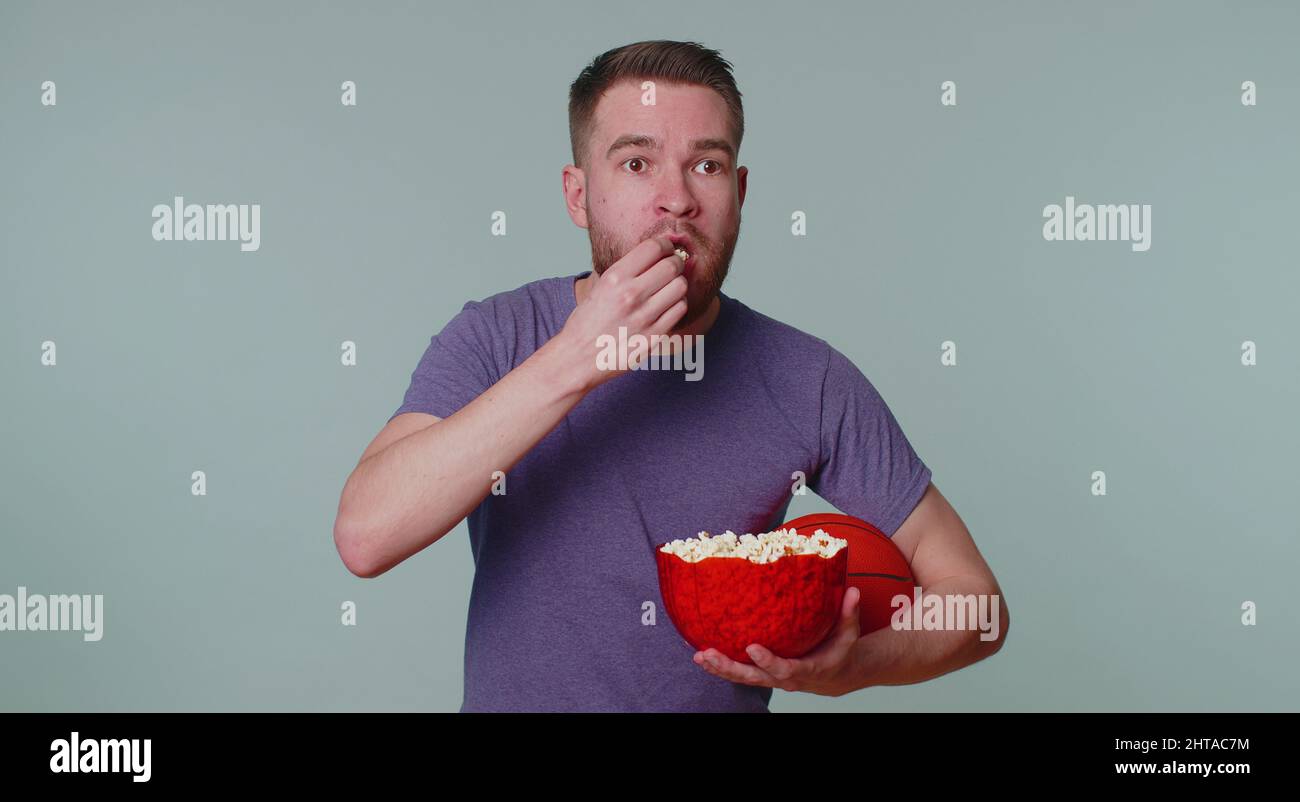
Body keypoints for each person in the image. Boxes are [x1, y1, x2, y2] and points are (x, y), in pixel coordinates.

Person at [333, 40, 1008, 712]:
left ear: (739, 193)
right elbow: (366, 536)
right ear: (579, 194)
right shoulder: (497, 337)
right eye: (636, 162)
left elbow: (976, 605)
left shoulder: (808, 378)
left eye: (706, 165)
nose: (676, 200)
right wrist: (574, 361)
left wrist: (856, 663)